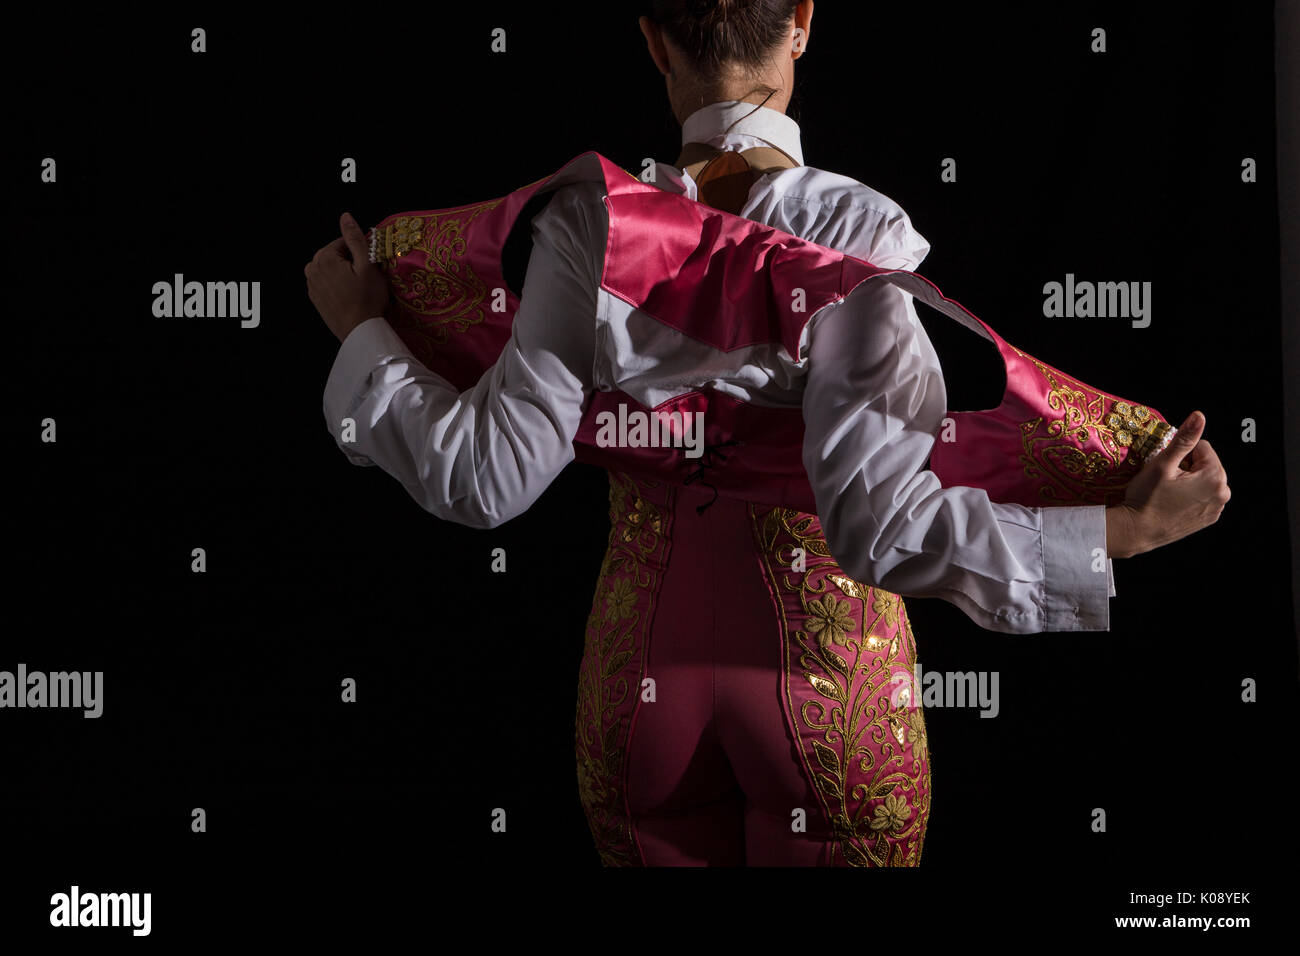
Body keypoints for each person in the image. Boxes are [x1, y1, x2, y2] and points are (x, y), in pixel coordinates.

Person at [304, 0, 1230, 866]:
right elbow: (880, 530)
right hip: (832, 694)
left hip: (639, 702)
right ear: (801, 25)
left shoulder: (586, 219)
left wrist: (364, 335)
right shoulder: (862, 231)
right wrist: (1120, 534)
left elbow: (484, 480)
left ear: (656, 43)